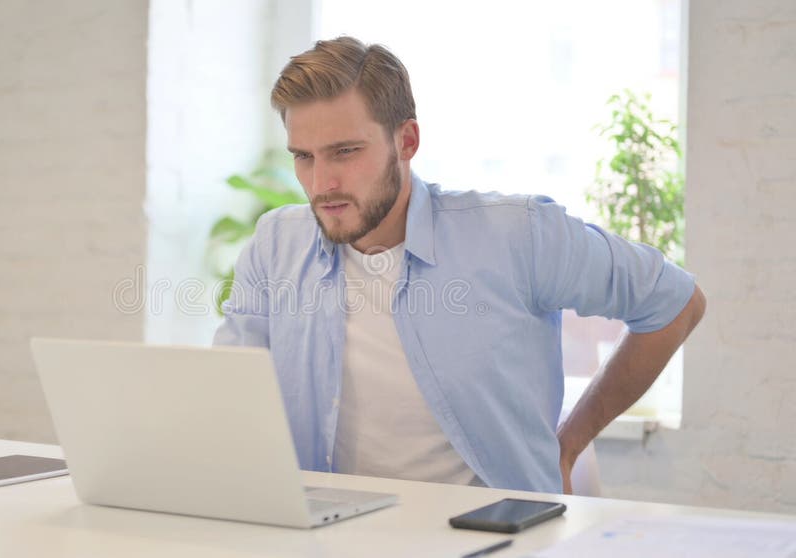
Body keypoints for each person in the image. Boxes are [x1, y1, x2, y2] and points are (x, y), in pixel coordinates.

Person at [213, 36, 705, 493]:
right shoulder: (276, 244)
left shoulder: (516, 234)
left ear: (406, 141)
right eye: (304, 156)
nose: (321, 183)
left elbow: (675, 302)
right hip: (332, 533)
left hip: (494, 534)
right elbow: (229, 395)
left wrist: (571, 442)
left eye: (345, 152)